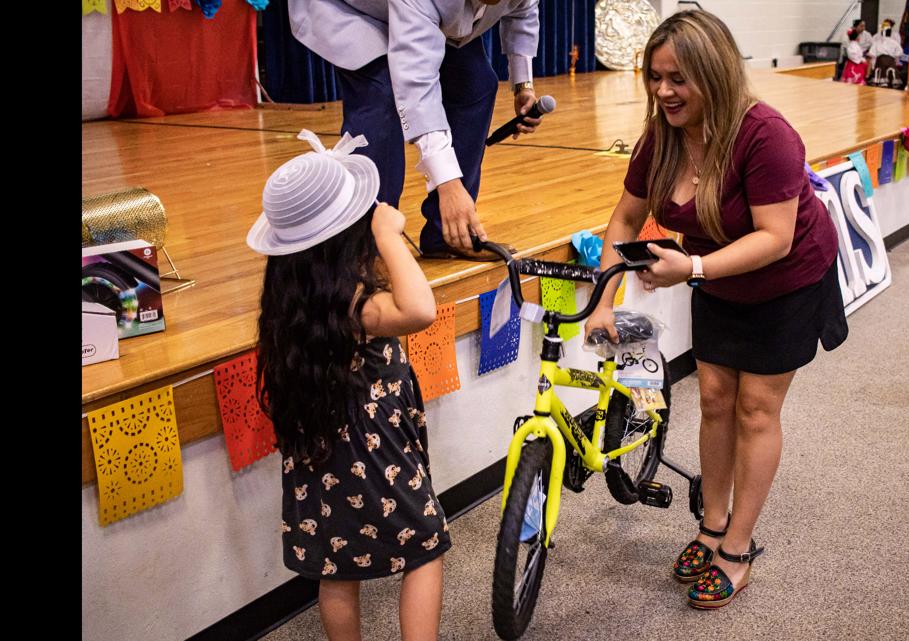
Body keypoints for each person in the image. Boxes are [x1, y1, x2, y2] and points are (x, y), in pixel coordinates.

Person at [584, 10, 848, 610]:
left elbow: (776, 237)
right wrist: (604, 300)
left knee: (756, 409)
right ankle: (710, 524)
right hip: (718, 281)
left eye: (678, 78)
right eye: (654, 76)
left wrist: (693, 269)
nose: (663, 91)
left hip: (787, 282)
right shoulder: (662, 137)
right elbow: (624, 219)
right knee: (713, 399)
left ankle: (738, 545)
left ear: (716, 74)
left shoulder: (766, 135)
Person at [249, 130, 450, 641]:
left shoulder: (292, 297)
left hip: (317, 441)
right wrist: (388, 235)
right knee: (425, 546)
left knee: (337, 566)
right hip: (372, 448)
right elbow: (421, 309)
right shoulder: (360, 305)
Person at [287, 0, 544, 261]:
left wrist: (524, 84)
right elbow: (416, 85)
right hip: (351, 10)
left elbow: (523, 11)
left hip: (420, 11)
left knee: (477, 84)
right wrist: (447, 183)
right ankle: (368, 247)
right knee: (381, 96)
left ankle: (449, 232)